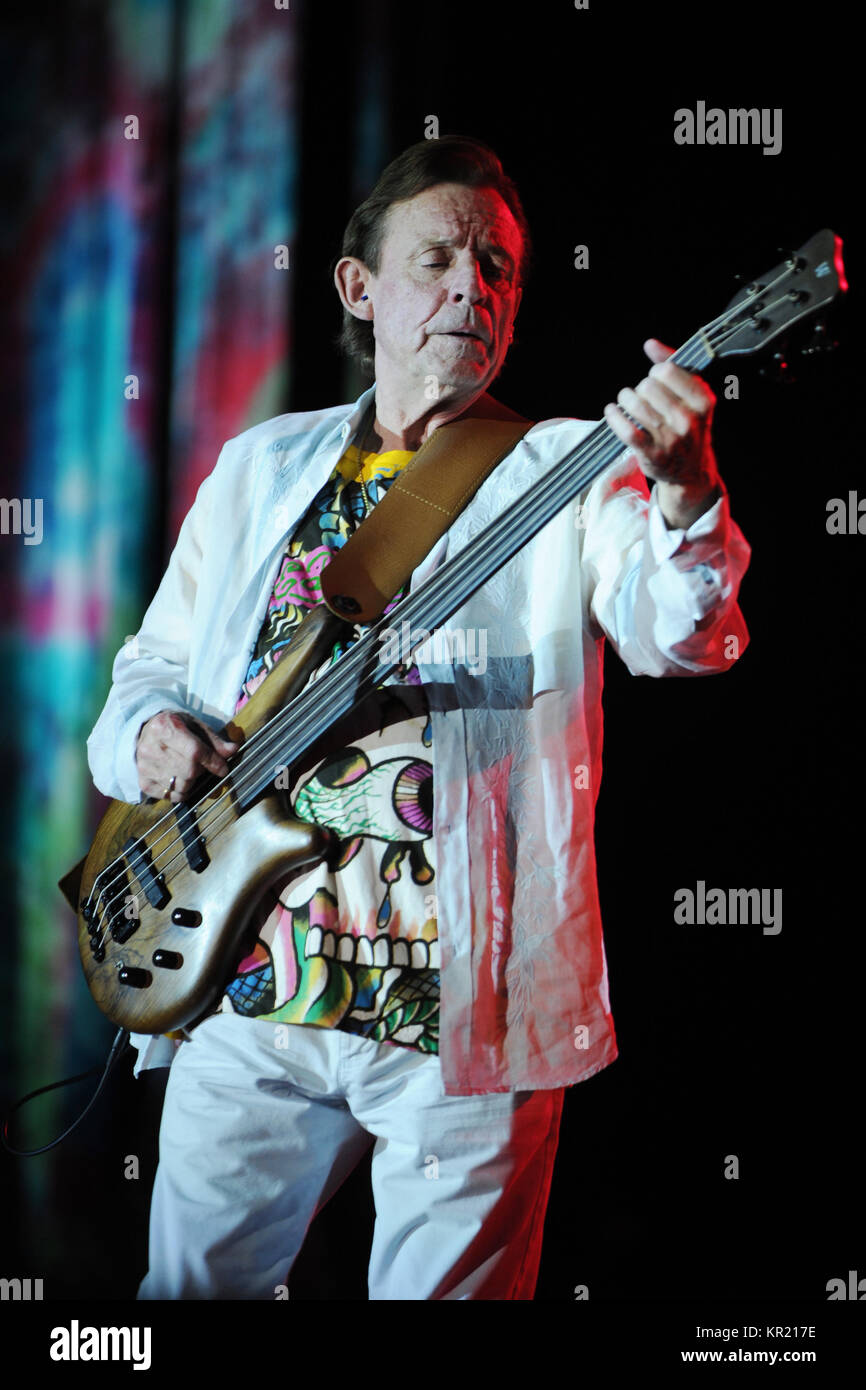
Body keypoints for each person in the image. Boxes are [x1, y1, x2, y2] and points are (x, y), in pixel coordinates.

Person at [86, 135, 750, 1300]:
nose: (471, 286)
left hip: (463, 1011)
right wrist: (152, 735)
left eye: (496, 268)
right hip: (254, 986)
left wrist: (687, 490)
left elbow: (677, 636)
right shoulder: (261, 466)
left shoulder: (567, 468)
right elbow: (151, 666)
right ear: (358, 286)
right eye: (438, 256)